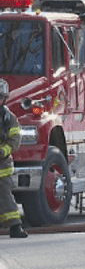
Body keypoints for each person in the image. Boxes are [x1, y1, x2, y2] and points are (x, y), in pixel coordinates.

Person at [0, 80, 26, 238]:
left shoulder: (9, 118)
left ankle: (15, 227)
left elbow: (14, 139)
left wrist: (3, 151)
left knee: (5, 195)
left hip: (2, 166)